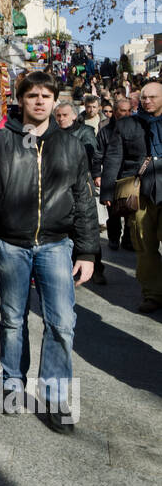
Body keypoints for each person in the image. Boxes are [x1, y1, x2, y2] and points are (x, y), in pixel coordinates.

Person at [0, 70, 97, 434]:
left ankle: (53, 397)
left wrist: (87, 251)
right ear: (20, 99)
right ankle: (11, 385)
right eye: (32, 95)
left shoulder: (71, 145)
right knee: (12, 319)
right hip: (11, 244)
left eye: (46, 96)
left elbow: (83, 200)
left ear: (55, 101)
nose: (39, 101)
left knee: (62, 323)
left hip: (56, 245)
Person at [100, 80, 162, 312]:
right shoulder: (127, 125)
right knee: (144, 246)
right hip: (140, 193)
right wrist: (108, 190)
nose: (147, 101)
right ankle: (153, 294)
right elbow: (114, 156)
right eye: (144, 97)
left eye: (153, 97)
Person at [54, 100, 106, 283]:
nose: (61, 119)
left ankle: (96, 268)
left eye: (65, 115)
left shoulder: (85, 132)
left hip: (81, 182)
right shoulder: (53, 133)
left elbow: (90, 155)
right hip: (60, 185)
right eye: (58, 115)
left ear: (75, 115)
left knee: (86, 227)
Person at [94, 97, 133, 250]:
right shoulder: (105, 132)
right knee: (113, 211)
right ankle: (114, 238)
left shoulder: (136, 129)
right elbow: (97, 155)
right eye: (123, 111)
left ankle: (128, 239)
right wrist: (97, 174)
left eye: (129, 111)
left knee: (131, 209)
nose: (126, 114)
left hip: (130, 176)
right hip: (111, 177)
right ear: (116, 113)